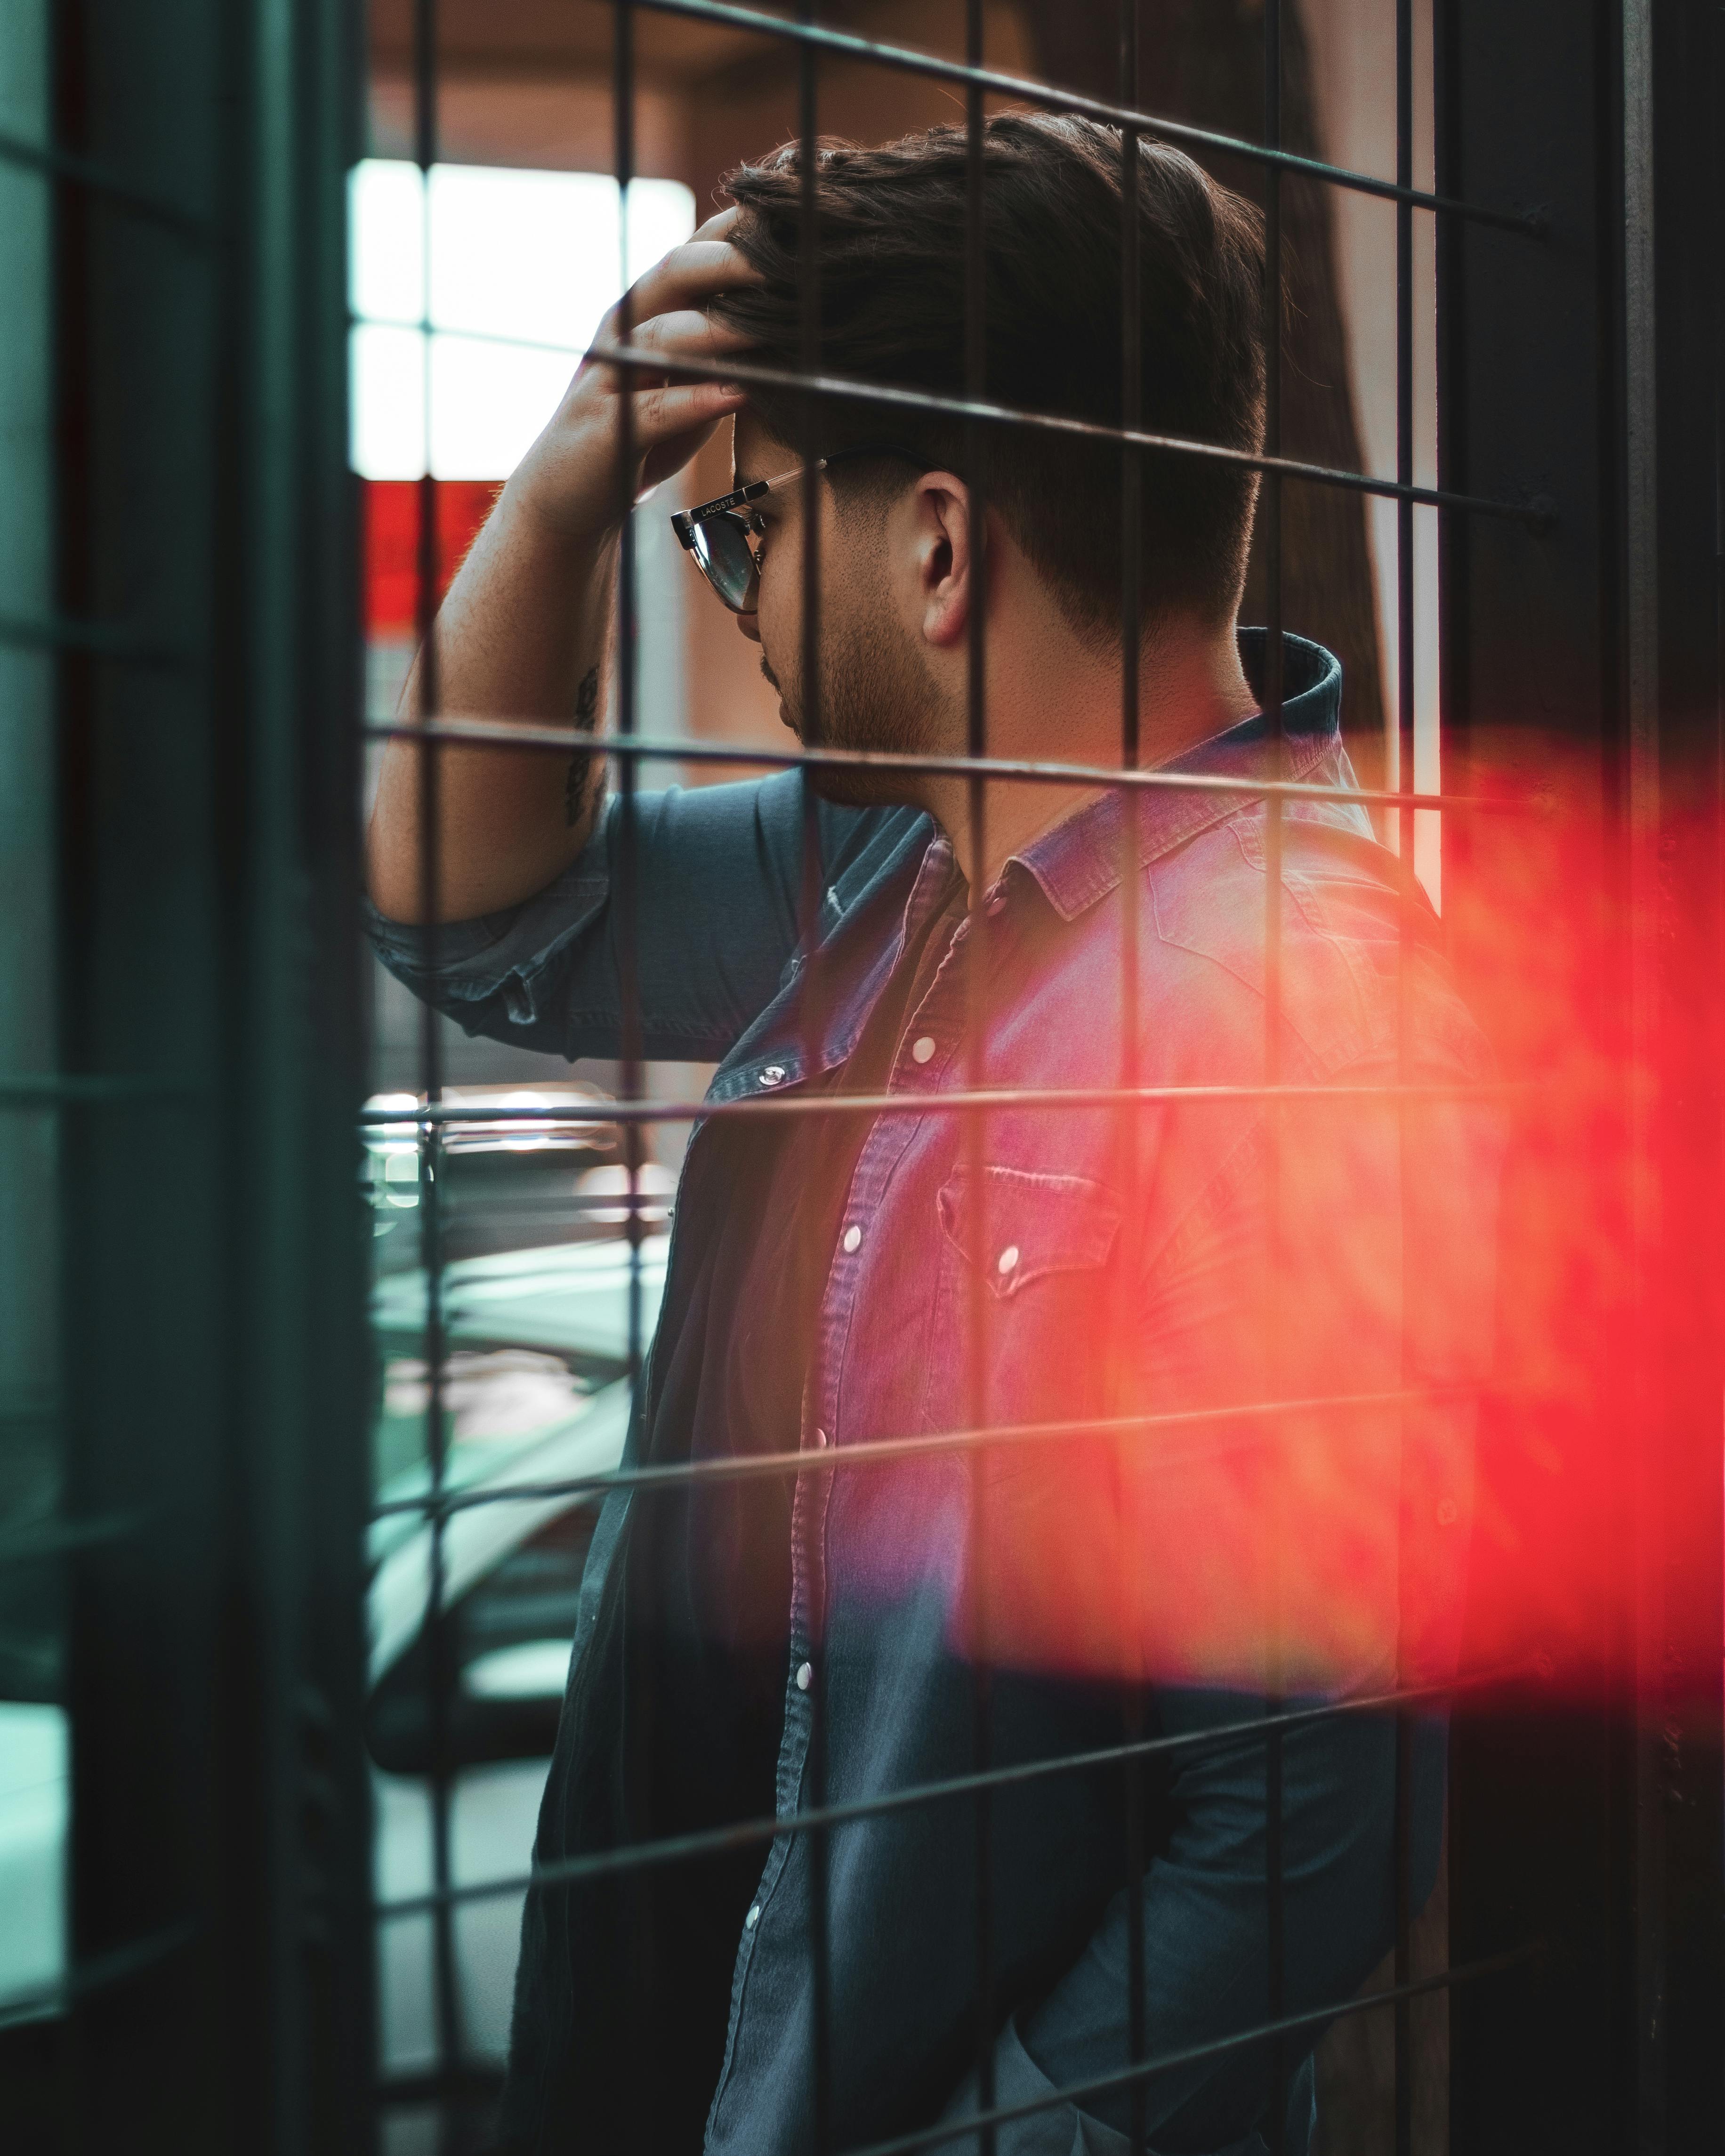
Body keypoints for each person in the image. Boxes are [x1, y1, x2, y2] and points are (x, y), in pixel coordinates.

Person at [366, 114, 1501, 2156]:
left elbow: (1317, 1804)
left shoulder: (1293, 1005)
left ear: (941, 549)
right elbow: (476, 921)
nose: (739, 592)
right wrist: (562, 484)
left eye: (749, 529)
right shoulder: (897, 862)